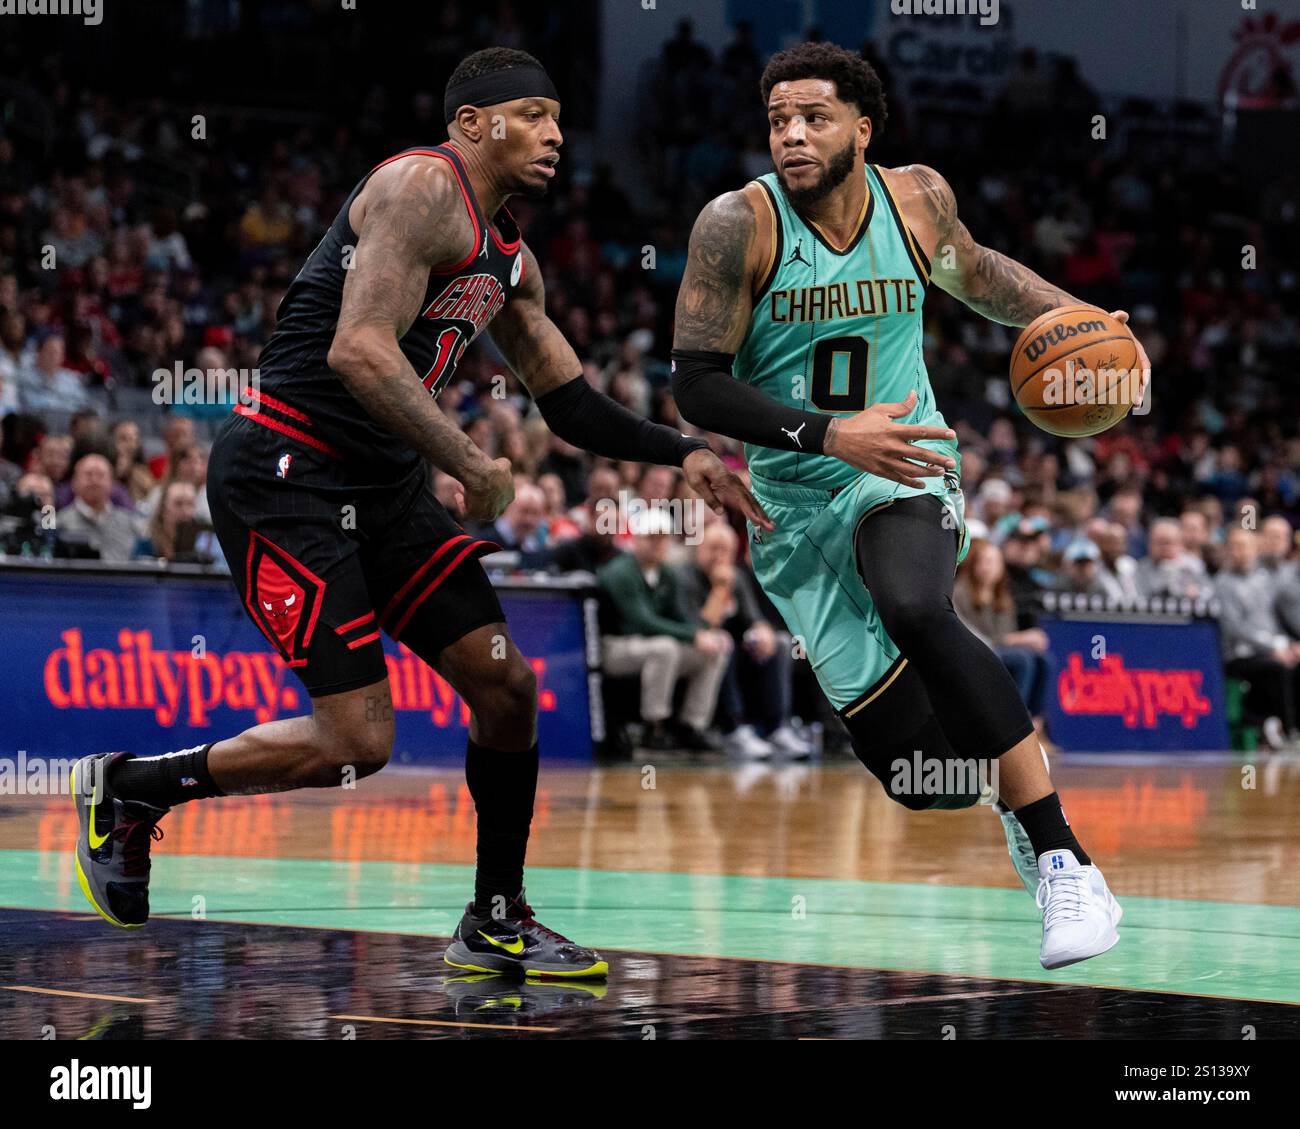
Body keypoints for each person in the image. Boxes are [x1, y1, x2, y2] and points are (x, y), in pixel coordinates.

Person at [70, 48, 769, 983]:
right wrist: (471, 462)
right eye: (533, 114)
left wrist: (683, 451)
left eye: (562, 118)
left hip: (385, 486)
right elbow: (360, 350)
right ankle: (131, 788)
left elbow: (566, 401)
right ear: (473, 124)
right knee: (358, 742)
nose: (557, 134)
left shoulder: (510, 253)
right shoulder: (418, 187)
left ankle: (494, 916)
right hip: (288, 472)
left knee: (509, 688)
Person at [670, 41, 1152, 969]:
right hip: (794, 494)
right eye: (778, 120)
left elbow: (981, 273)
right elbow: (696, 386)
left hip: (906, 458)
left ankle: (1063, 858)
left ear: (863, 125)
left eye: (813, 116)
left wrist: (1089, 325)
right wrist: (823, 434)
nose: (793, 135)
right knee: (920, 778)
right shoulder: (738, 224)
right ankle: (1016, 795)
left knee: (917, 604)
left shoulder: (918, 197)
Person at [598, 509, 731, 752]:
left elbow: (684, 618)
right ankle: (654, 727)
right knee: (665, 648)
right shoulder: (621, 572)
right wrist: (693, 635)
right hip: (613, 646)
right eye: (651, 538)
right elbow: (641, 621)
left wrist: (706, 633)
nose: (658, 544)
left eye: (663, 538)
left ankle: (692, 726)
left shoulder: (667, 573)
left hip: (650, 645)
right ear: (636, 539)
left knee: (715, 649)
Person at [677, 521, 811, 758]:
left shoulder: (737, 577)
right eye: (713, 549)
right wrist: (719, 590)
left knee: (780, 642)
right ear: (699, 549)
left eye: (725, 550)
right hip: (701, 652)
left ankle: (778, 727)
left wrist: (763, 632)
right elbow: (699, 629)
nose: (719, 556)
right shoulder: (686, 577)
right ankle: (734, 728)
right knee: (722, 641)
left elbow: (754, 619)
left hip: (739, 653)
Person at [1216, 527, 1300, 750]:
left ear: (1256, 550)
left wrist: (1289, 645)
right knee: (1276, 668)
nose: (1239, 552)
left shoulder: (1265, 580)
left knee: (1294, 663)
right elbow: (1234, 628)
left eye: (1244, 547)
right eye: (1233, 547)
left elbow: (1278, 619)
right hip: (1239, 654)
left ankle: (1274, 723)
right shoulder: (1223, 583)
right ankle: (1287, 730)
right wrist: (1271, 647)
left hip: (1273, 647)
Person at [55, 452, 138, 563]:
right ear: (74, 483)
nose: (94, 481)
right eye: (88, 475)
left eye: (100, 475)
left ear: (112, 483)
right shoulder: (60, 523)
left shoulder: (128, 523)